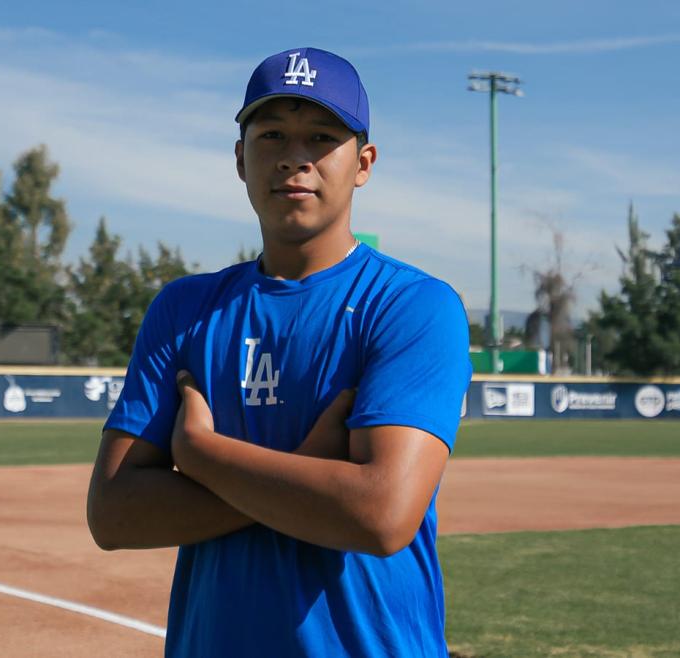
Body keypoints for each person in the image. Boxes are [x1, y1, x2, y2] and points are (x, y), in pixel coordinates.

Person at [87, 47, 471, 657]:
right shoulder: (185, 309)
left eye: (321, 135)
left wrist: (204, 455)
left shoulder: (412, 306)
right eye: (272, 135)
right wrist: (306, 471)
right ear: (241, 158)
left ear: (363, 162)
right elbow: (114, 514)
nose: (295, 156)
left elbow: (380, 515)